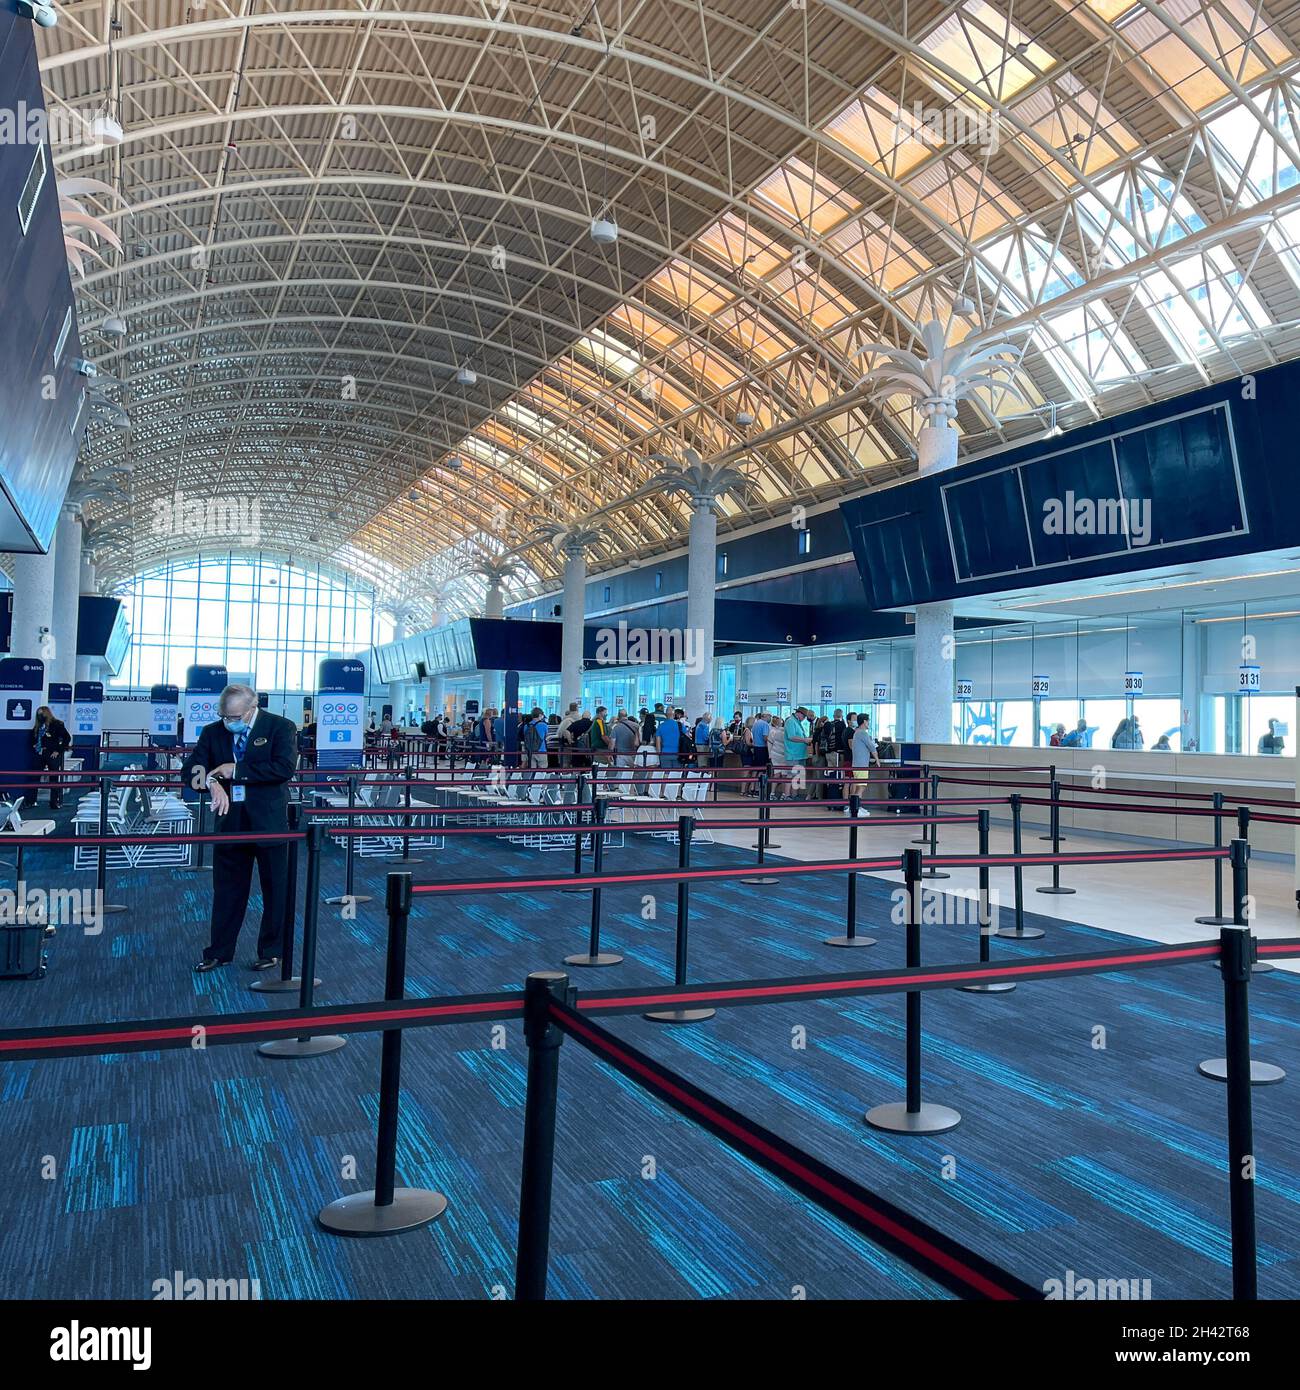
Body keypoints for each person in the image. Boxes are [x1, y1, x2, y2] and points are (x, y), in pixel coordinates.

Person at [181, 684, 298, 973]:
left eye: (233, 716)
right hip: (230, 824)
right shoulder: (212, 732)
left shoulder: (280, 727)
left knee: (275, 890)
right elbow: (190, 771)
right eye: (223, 715)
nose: (228, 721)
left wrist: (237, 771)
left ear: (251, 708)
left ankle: (272, 950)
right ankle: (219, 952)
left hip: (269, 823)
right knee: (227, 892)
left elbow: (283, 768)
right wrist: (211, 782)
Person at [30, 705, 71, 810]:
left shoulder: (57, 724)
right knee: (34, 777)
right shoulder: (38, 726)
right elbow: (33, 738)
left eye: (41, 714)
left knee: (54, 778)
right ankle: (32, 800)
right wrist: (34, 744)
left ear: (46, 713)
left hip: (52, 754)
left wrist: (58, 750)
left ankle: (54, 802)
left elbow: (67, 738)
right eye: (38, 714)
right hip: (39, 753)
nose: (40, 716)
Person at [850, 714, 880, 816]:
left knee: (859, 786)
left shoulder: (857, 733)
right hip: (861, 765)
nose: (869, 723)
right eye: (868, 721)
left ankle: (856, 806)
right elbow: (872, 747)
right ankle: (856, 808)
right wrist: (877, 760)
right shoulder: (862, 733)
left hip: (857, 764)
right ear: (864, 721)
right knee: (861, 786)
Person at [784, 707, 811, 797]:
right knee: (790, 775)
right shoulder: (791, 721)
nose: (805, 719)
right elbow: (791, 736)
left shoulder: (798, 722)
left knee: (798, 777)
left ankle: (794, 795)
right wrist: (804, 740)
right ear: (799, 713)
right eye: (804, 716)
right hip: (793, 754)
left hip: (800, 754)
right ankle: (787, 795)